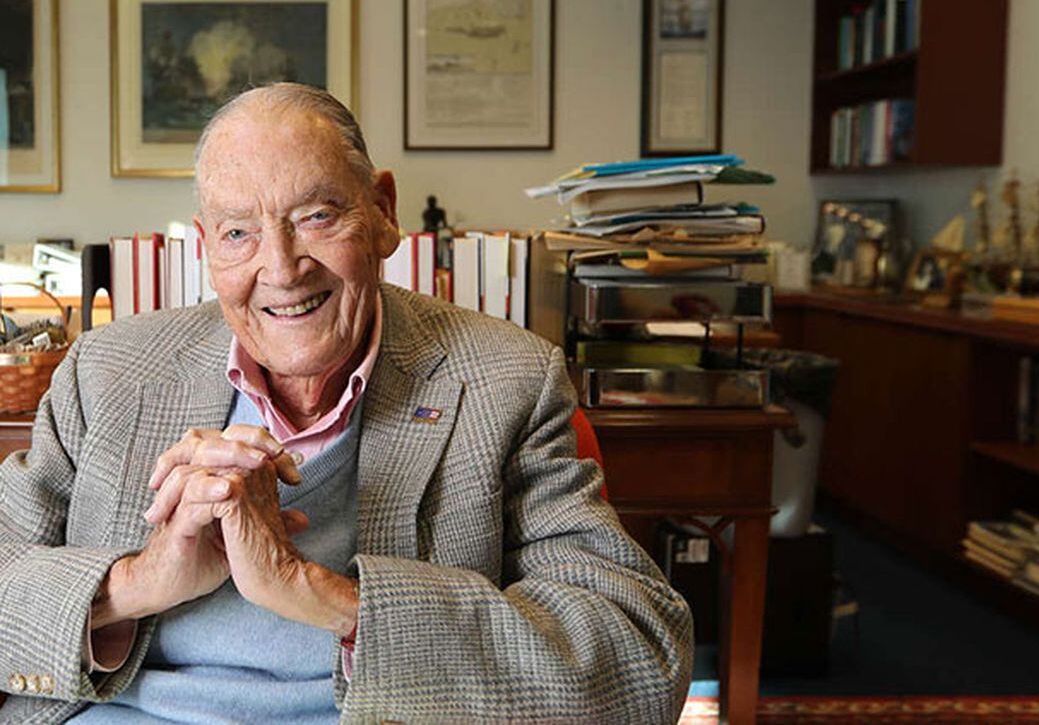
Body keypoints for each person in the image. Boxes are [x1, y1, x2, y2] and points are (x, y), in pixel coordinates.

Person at [0, 83, 693, 722]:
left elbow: (638, 658)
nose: (282, 268)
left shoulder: (505, 380)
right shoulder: (108, 371)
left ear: (383, 213)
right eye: (239, 233)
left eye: (317, 216)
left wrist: (323, 595)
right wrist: (136, 583)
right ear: (206, 246)